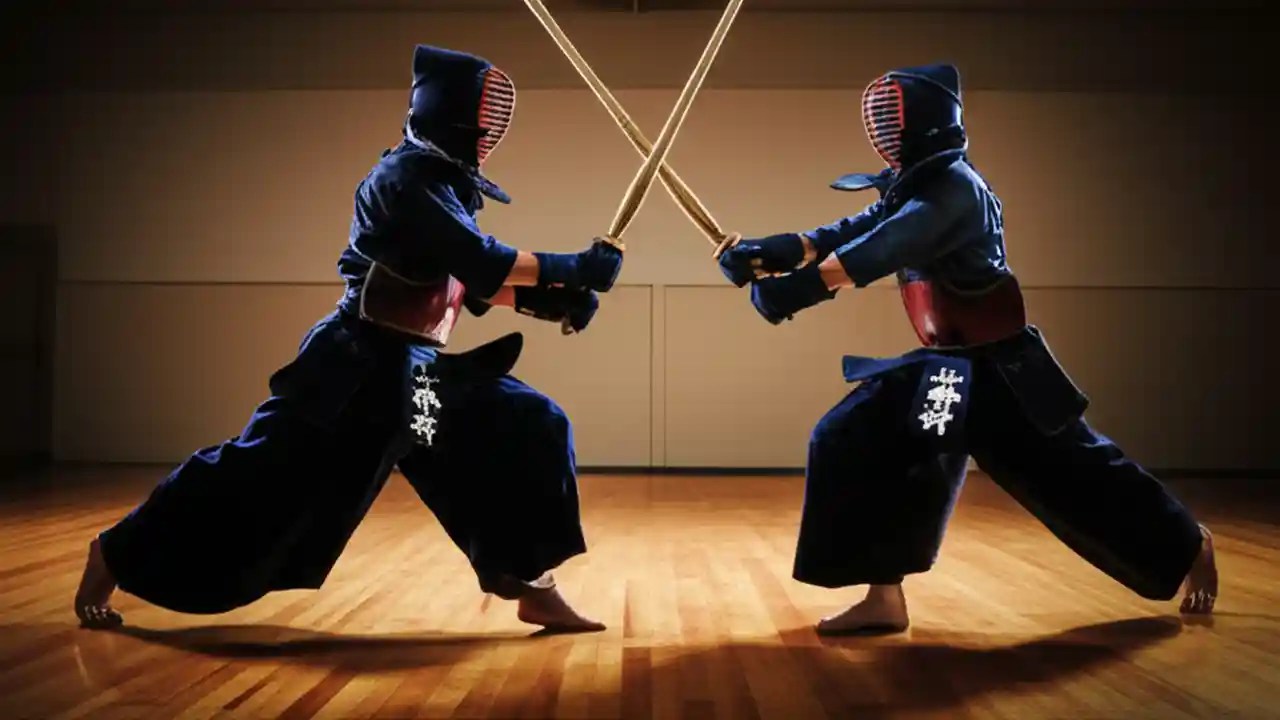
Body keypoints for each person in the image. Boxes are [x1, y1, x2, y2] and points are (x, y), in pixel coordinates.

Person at [73, 44, 621, 634]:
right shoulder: (400, 180)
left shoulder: (447, 186)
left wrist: (547, 299)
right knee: (261, 477)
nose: (490, 130)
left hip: (418, 386)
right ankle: (117, 549)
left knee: (524, 424)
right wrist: (573, 267)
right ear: (452, 113)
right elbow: (478, 260)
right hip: (354, 373)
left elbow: (458, 279)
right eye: (483, 115)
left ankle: (532, 584)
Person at [716, 63, 1218, 634]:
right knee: (862, 440)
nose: (882, 128)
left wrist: (795, 291)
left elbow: (881, 249)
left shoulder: (955, 190)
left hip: (1003, 375)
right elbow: (847, 232)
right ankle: (884, 596)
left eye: (892, 115)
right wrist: (774, 252)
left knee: (1081, 477)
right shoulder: (916, 185)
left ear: (926, 120)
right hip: (950, 374)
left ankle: (1189, 545)